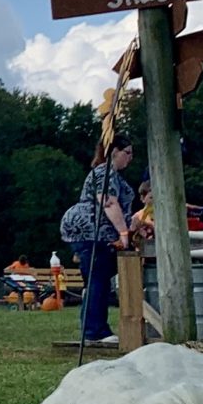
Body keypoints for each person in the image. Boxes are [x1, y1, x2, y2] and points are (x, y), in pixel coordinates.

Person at [60, 135, 140, 345]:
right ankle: (95, 331)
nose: (130, 158)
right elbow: (108, 203)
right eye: (127, 152)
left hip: (97, 233)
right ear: (114, 151)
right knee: (98, 277)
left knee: (98, 278)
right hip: (91, 232)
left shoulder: (112, 176)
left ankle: (95, 328)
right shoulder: (104, 173)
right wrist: (124, 234)